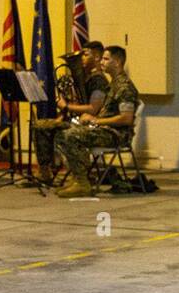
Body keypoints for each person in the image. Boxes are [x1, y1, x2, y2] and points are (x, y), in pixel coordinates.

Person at [54, 45, 139, 198]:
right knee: (62, 132)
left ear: (118, 62)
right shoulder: (113, 84)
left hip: (116, 134)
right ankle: (77, 178)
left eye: (107, 59)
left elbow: (126, 118)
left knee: (72, 135)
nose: (102, 62)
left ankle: (82, 183)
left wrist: (96, 120)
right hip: (105, 129)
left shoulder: (124, 87)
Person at [30, 40, 108, 184]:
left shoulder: (99, 81)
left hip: (91, 123)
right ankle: (44, 169)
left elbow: (93, 108)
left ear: (97, 57)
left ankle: (79, 174)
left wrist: (66, 107)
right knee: (40, 125)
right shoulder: (84, 79)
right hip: (76, 119)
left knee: (57, 132)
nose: (82, 58)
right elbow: (79, 103)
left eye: (85, 54)